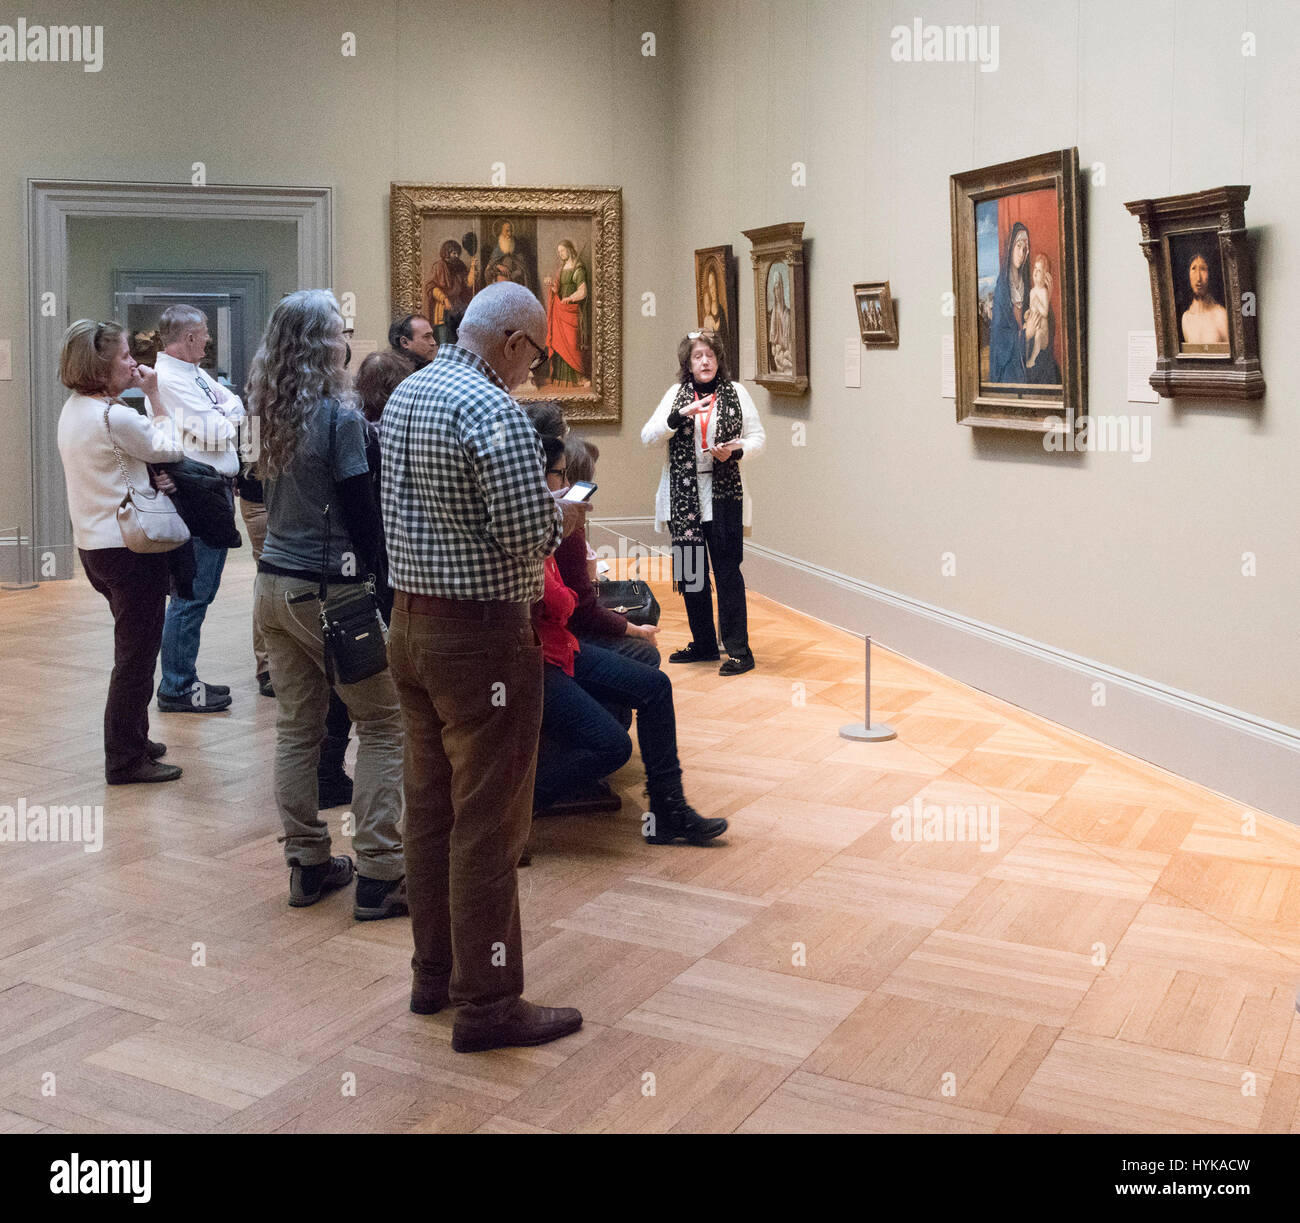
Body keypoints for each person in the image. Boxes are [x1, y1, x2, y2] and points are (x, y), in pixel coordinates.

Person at [381, 281, 587, 1053]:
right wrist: (561, 511)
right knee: (490, 823)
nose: (531, 369)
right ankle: (490, 1000)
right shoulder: (493, 408)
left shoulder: (410, 394)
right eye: (533, 353)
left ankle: (433, 974)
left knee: (430, 809)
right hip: (481, 642)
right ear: (509, 342)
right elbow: (525, 531)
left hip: (408, 625)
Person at [249, 290, 407, 921]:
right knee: (383, 724)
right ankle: (378, 874)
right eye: (341, 331)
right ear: (324, 344)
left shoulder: (257, 410)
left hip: (272, 588)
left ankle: (308, 863)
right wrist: (386, 586)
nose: (348, 340)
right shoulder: (338, 418)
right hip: (332, 591)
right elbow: (362, 516)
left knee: (296, 729)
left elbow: (248, 487)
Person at [529, 424, 724, 846]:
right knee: (612, 746)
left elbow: (568, 603)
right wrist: (564, 534)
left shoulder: (549, 524)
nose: (566, 485)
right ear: (540, 478)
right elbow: (565, 604)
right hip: (534, 659)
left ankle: (669, 810)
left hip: (562, 648)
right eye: (560, 475)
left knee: (654, 686)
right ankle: (515, 806)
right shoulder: (530, 529)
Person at [56, 320, 187, 784]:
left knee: (133, 650)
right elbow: (169, 448)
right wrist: (154, 396)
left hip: (95, 548)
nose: (134, 363)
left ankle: (135, 737)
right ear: (100, 365)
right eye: (126, 357)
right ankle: (125, 758)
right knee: (135, 658)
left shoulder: (74, 410)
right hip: (131, 549)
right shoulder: (116, 417)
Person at [641, 330, 765, 676]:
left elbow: (759, 439)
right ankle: (705, 644)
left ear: (718, 360)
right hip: (685, 499)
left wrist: (735, 451)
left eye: (710, 355)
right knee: (692, 575)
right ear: (688, 363)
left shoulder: (736, 393)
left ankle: (739, 650)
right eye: (698, 356)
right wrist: (679, 416)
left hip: (723, 496)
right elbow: (648, 436)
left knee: (727, 574)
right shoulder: (675, 395)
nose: (705, 361)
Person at [153, 304, 244, 713]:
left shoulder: (192, 373)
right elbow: (215, 429)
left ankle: (183, 678)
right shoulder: (171, 379)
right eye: (205, 333)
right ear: (188, 337)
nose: (208, 340)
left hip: (215, 489)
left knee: (199, 593)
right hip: (198, 492)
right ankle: (176, 686)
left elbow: (235, 404)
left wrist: (228, 414)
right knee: (191, 593)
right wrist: (227, 416)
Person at [543, 240, 589, 386]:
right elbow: (558, 290)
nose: (561, 254)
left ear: (569, 249)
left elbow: (583, 291)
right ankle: (560, 379)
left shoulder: (578, 268)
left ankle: (579, 377)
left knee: (571, 342)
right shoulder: (561, 268)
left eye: (563, 250)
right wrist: (551, 284)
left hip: (571, 310)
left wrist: (570, 298)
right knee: (559, 342)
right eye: (559, 252)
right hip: (560, 310)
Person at [423, 239, 475, 346]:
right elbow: (432, 287)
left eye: (457, 253)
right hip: (444, 308)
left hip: (457, 306)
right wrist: (444, 299)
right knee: (445, 341)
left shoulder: (460, 266)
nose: (456, 256)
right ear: (447, 253)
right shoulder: (439, 266)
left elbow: (469, 284)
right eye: (453, 253)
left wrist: (473, 267)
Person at [1181, 252, 1229, 346]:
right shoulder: (1186, 318)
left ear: (1210, 274)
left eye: (1203, 269)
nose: (1198, 278)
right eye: (1193, 269)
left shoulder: (1221, 314)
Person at [1024, 253, 1052, 370]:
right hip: (1033, 328)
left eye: (1039, 270)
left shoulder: (1043, 292)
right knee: (1025, 329)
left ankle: (1032, 359)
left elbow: (1045, 312)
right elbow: (1032, 310)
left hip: (1043, 335)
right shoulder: (1032, 292)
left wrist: (1038, 303)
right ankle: (1024, 356)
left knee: (1038, 335)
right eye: (1035, 268)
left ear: (1045, 275)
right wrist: (1028, 313)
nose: (1035, 272)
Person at [768, 270, 793, 374]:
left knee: (787, 356)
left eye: (779, 287)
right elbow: (773, 338)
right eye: (775, 288)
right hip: (779, 350)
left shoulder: (787, 313)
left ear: (782, 289)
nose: (777, 291)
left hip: (786, 349)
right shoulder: (773, 312)